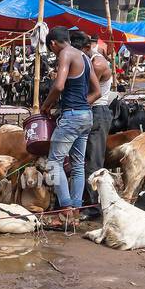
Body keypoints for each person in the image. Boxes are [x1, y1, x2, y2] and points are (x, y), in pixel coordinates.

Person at [40, 27, 100, 224]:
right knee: (78, 165)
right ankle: (75, 210)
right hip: (86, 116)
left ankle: (65, 209)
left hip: (72, 117)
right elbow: (96, 91)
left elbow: (58, 86)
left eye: (52, 49)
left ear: (53, 44)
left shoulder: (65, 54)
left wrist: (46, 105)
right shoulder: (83, 56)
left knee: (54, 162)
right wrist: (81, 108)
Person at [82, 35, 116, 212]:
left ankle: (95, 207)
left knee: (94, 162)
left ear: (86, 48)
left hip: (97, 111)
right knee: (83, 160)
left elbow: (88, 92)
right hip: (90, 111)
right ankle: (86, 201)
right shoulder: (89, 60)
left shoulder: (97, 64)